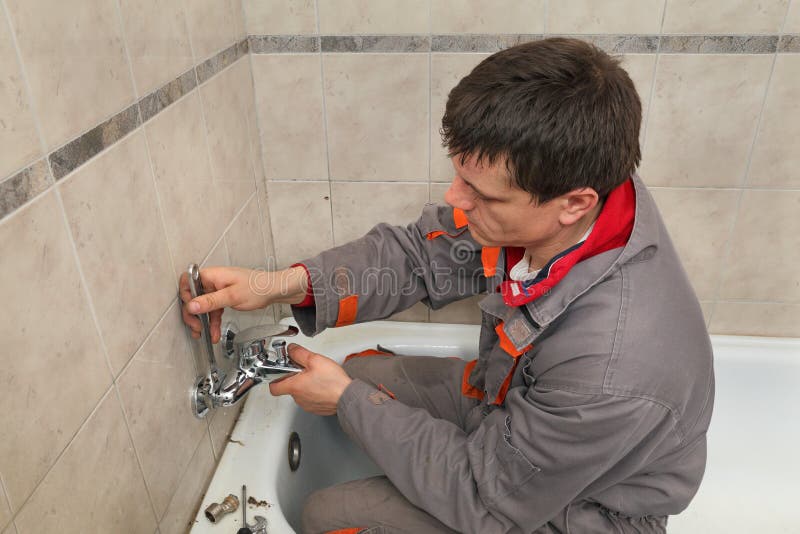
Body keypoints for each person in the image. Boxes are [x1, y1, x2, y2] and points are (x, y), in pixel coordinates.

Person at [180, 38, 714, 533]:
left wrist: (348, 402)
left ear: (573, 202)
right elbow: (420, 254)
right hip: (510, 412)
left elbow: (486, 499)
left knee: (327, 515)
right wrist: (280, 285)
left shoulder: (612, 368)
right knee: (361, 369)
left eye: (481, 194)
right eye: (459, 175)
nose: (456, 199)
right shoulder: (584, 187)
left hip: (584, 512)